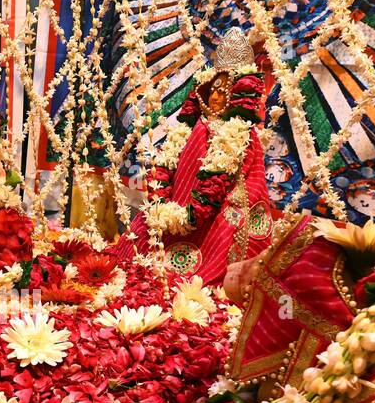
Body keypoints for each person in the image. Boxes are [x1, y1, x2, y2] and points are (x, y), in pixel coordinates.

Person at [112, 26, 276, 283]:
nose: (218, 96)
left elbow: (251, 185)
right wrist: (165, 205)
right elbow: (168, 171)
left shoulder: (243, 134)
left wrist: (201, 211)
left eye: (226, 90)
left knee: (231, 229)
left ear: (238, 95)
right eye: (215, 88)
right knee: (140, 236)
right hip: (174, 207)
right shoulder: (193, 127)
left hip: (217, 216)